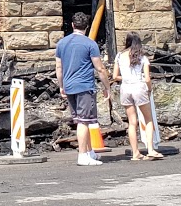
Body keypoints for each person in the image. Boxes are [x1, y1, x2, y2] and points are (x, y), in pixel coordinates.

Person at [54, 11, 110, 166]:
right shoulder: (90, 44)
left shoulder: (62, 43)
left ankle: (90, 151)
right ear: (87, 27)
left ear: (73, 25)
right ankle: (82, 155)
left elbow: (59, 67)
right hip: (84, 86)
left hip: (69, 85)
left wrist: (61, 86)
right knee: (84, 122)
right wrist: (107, 87)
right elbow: (100, 68)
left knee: (82, 120)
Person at [115, 32, 163, 162]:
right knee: (148, 119)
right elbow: (147, 78)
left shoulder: (119, 56)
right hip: (139, 87)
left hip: (125, 88)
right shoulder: (142, 57)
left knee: (132, 122)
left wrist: (126, 78)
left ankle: (135, 153)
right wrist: (149, 89)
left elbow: (115, 76)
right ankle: (151, 150)